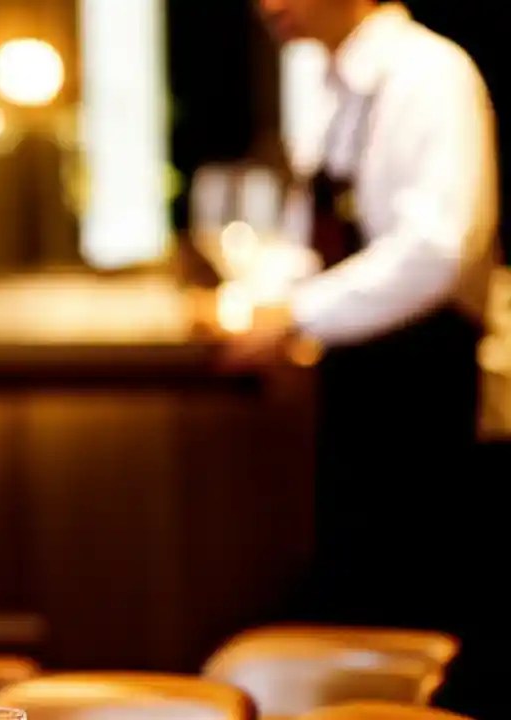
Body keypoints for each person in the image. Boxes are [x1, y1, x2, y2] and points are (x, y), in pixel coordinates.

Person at [226, 1, 500, 715]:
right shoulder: (332, 87)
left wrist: (297, 315)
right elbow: (306, 234)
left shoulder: (430, 74)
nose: (268, 4)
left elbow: (438, 250)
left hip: (426, 378)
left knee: (418, 595)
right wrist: (264, 306)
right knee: (355, 587)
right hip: (356, 382)